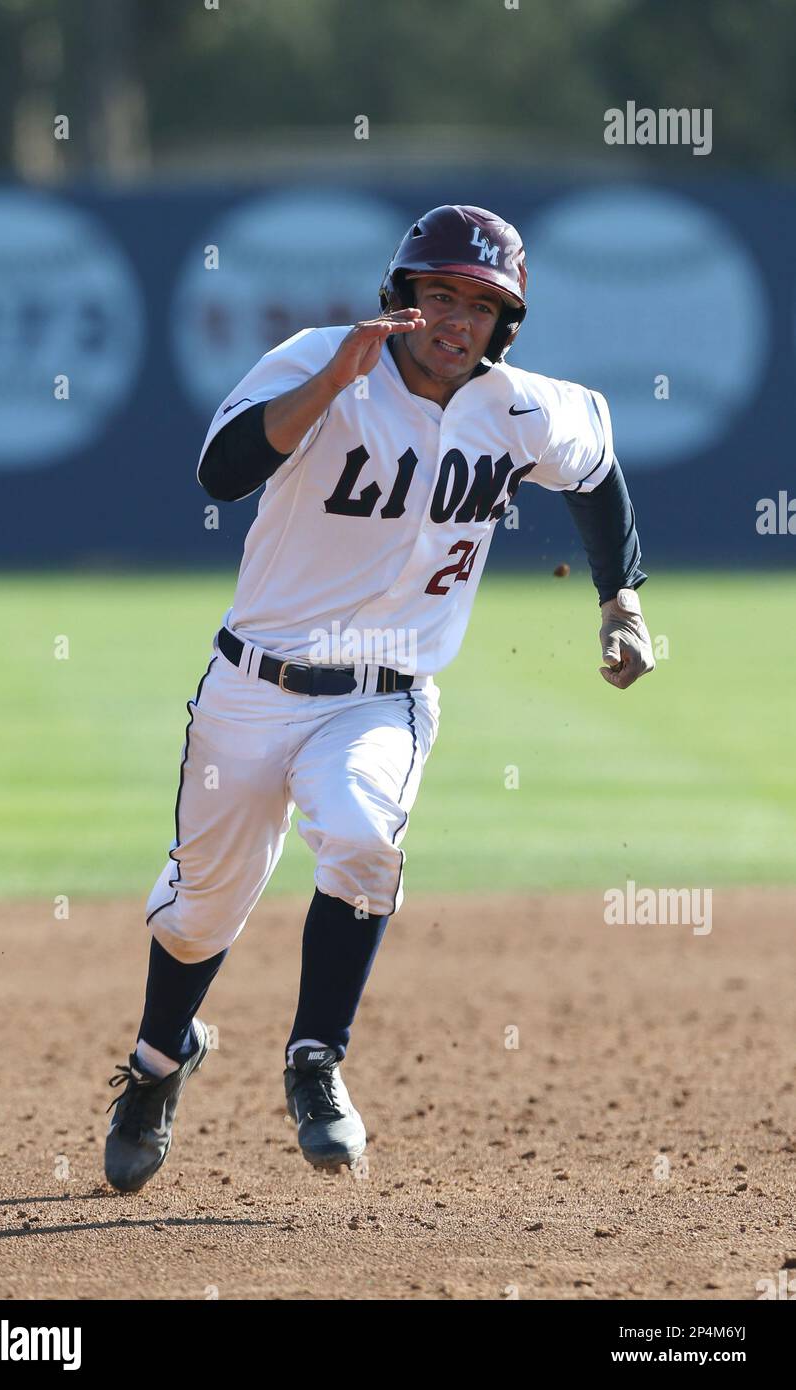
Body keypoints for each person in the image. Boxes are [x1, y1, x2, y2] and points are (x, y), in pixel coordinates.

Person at [103, 204, 654, 1192]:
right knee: (197, 916)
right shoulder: (321, 359)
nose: (456, 318)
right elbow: (220, 471)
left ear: (503, 325)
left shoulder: (522, 407)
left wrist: (619, 600)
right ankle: (155, 1062)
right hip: (251, 684)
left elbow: (598, 471)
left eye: (480, 305)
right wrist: (331, 382)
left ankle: (314, 1060)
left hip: (383, 695)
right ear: (401, 298)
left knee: (361, 840)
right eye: (438, 293)